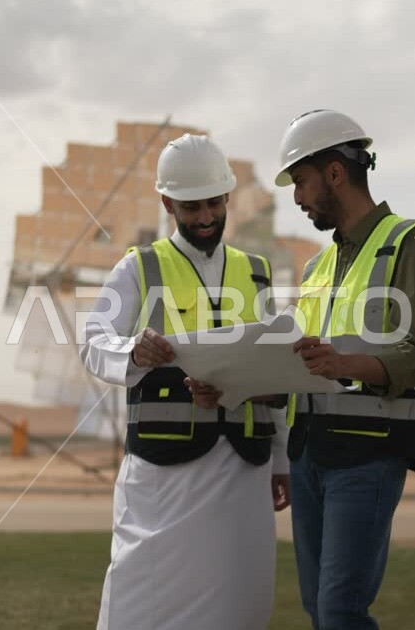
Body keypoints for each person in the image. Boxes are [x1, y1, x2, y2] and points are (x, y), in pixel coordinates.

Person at [80, 133, 290, 630]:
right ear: (167, 201)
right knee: (143, 604)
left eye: (214, 204)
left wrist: (281, 458)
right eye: (192, 207)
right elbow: (92, 342)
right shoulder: (139, 267)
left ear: (228, 198)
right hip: (163, 477)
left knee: (241, 603)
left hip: (244, 470)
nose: (204, 218)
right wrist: (133, 350)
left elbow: (275, 368)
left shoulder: (257, 273)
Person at [274, 110, 415, 629]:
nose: (298, 197)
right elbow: (301, 362)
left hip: (366, 453)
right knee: (318, 610)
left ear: (334, 173)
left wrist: (344, 364)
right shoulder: (316, 267)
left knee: (340, 611)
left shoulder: (410, 242)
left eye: (301, 181)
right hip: (308, 452)